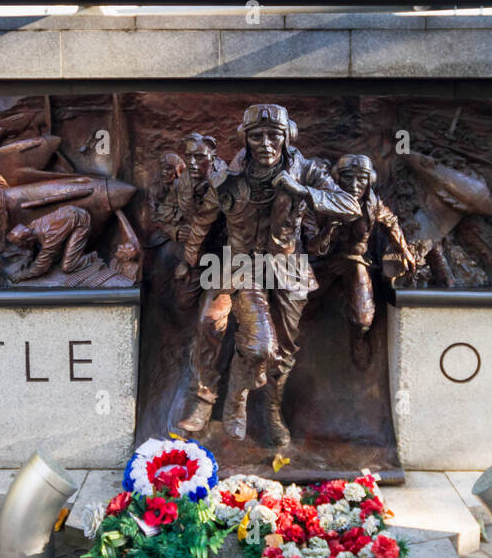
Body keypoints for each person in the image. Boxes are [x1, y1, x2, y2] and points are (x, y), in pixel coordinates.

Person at [179, 104, 361, 446]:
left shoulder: (305, 171)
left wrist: (303, 191)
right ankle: (217, 399)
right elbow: (203, 221)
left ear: (287, 137)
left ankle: (273, 411)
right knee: (233, 332)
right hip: (240, 266)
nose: (265, 143)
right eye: (257, 136)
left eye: (274, 135)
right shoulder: (227, 179)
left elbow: (351, 206)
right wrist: (188, 260)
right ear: (244, 139)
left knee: (284, 351)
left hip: (288, 268)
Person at [305, 154, 418, 368]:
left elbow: (390, 222)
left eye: (361, 179)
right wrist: (330, 228)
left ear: (369, 180)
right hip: (322, 260)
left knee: (363, 317)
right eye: (349, 178)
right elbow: (311, 244)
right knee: (303, 301)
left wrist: (404, 250)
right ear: (337, 179)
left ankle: (358, 340)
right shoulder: (320, 202)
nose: (355, 185)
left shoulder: (372, 203)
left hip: (355, 260)